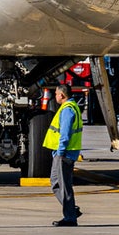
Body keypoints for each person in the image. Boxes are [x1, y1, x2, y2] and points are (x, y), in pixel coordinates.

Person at [46, 81, 84, 226]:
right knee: (55, 182)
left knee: (64, 185)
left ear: (61, 95)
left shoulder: (67, 110)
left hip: (64, 153)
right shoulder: (69, 107)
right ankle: (71, 209)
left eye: (56, 94)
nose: (55, 96)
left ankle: (70, 217)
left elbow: (65, 133)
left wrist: (60, 152)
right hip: (63, 153)